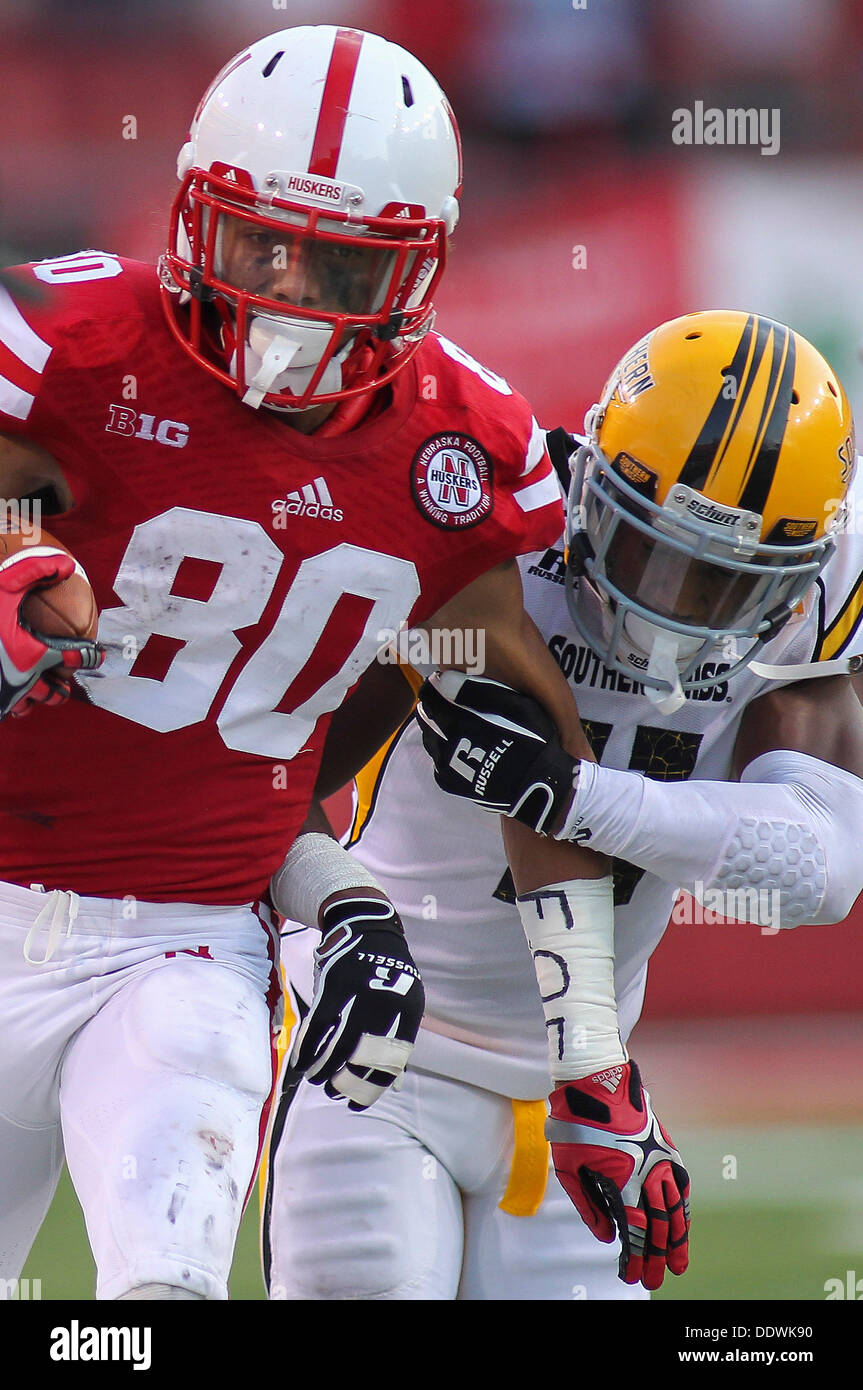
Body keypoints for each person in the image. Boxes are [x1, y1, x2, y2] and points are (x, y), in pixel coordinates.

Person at [0, 25, 636, 1301]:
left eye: (341, 264)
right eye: (259, 243)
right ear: (193, 213)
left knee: (159, 1295)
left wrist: (590, 1051)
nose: (290, 297)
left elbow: (527, 759)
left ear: (419, 268)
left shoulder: (463, 458)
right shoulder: (63, 335)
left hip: (183, 942)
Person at [263, 312, 863, 1300]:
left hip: (574, 1083)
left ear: (796, 572)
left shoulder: (817, 602)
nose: (669, 601)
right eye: (646, 548)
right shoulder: (493, 534)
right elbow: (275, 775)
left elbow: (819, 867)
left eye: (719, 581)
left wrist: (579, 797)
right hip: (382, 1045)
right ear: (591, 479)